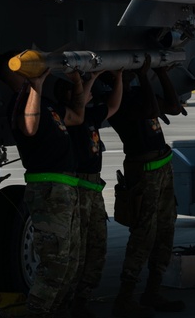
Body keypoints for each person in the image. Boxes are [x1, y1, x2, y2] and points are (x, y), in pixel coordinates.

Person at [4, 61, 89, 318]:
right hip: (49, 189)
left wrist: (78, 81)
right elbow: (29, 128)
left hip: (66, 188)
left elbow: (77, 116)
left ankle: (56, 310)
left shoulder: (48, 104)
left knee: (71, 261)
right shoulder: (21, 101)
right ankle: (36, 311)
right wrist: (36, 87)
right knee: (55, 263)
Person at [108, 62, 186, 318]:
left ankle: (152, 290)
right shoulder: (115, 102)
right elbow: (151, 109)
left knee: (166, 229)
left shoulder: (139, 93)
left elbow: (174, 107)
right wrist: (144, 77)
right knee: (144, 234)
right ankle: (125, 297)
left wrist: (162, 74)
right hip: (143, 171)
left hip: (162, 167)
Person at [68, 68, 124, 318]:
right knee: (76, 249)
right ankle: (68, 298)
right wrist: (89, 79)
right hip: (78, 188)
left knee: (97, 247)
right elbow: (79, 103)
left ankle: (82, 298)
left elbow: (113, 106)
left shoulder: (91, 115)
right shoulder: (71, 119)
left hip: (93, 189)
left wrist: (119, 78)